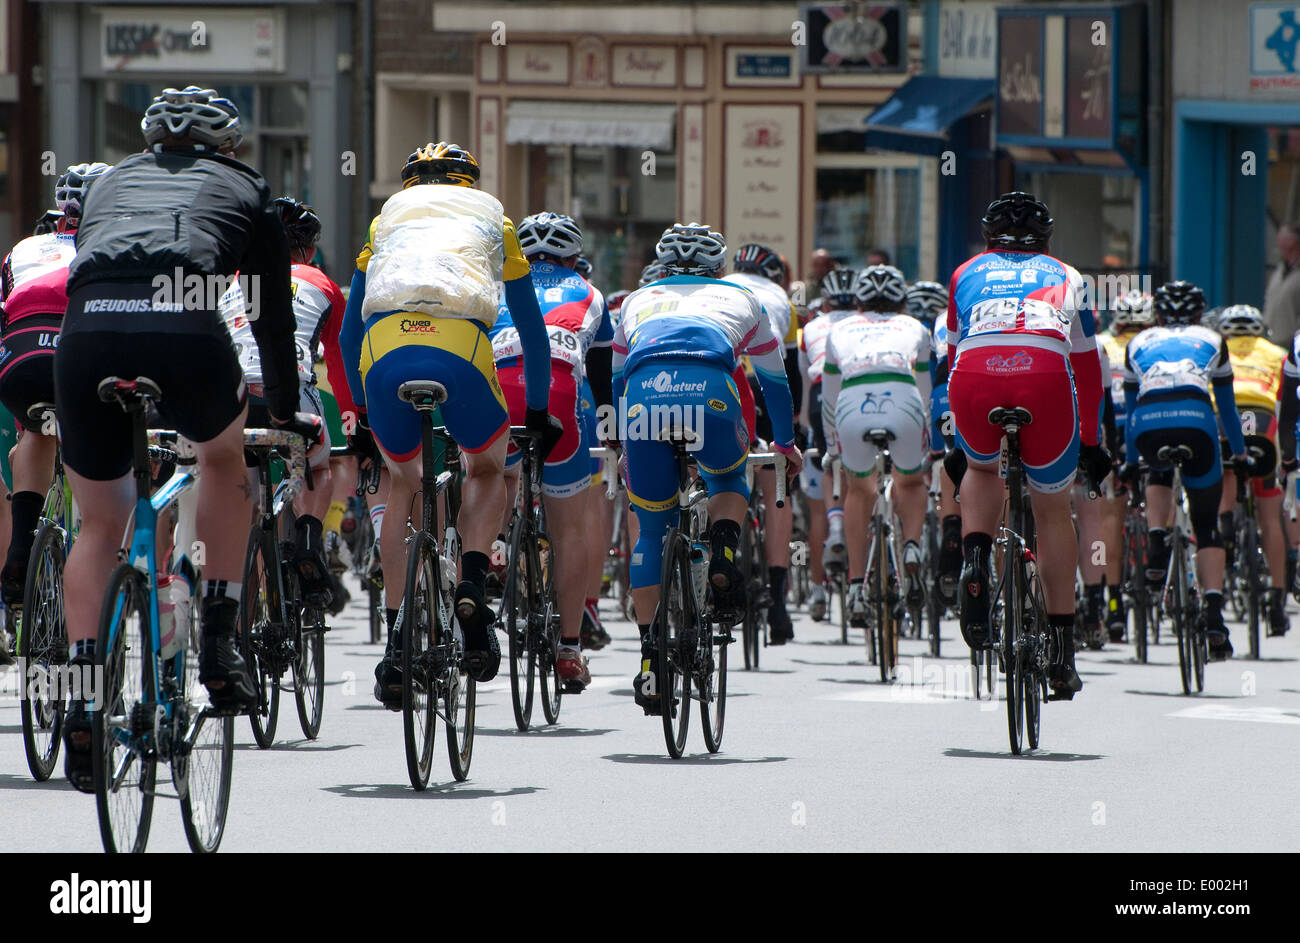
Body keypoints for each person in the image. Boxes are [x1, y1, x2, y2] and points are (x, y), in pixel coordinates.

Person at [55, 86, 318, 790]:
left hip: (86, 333)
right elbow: (268, 315)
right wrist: (285, 410)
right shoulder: (246, 185)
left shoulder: (108, 181)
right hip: (184, 323)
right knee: (223, 458)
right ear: (226, 145)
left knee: (97, 523)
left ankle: (81, 693)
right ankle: (221, 640)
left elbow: (89, 261)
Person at [339, 142, 561, 707]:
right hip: (459, 347)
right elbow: (531, 330)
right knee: (487, 469)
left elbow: (345, 332)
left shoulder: (385, 219)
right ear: (470, 182)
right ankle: (470, 585)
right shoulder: (495, 216)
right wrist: (535, 413)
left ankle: (395, 640)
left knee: (403, 483)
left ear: (410, 183)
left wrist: (359, 416)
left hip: (383, 349)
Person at [613, 223, 801, 713]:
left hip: (643, 399)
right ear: (719, 269)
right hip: (711, 392)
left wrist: (619, 441)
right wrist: (785, 443)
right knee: (728, 478)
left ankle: (651, 662)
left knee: (651, 529)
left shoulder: (635, 301)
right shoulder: (743, 296)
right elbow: (774, 383)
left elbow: (616, 379)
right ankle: (722, 554)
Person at [946, 192, 1109, 701]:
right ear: (1047, 239)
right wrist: (1089, 441)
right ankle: (1062, 651)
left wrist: (955, 434)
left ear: (988, 237)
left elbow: (950, 352)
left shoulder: (964, 272)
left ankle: (974, 556)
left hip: (974, 378)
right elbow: (1088, 368)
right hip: (1043, 379)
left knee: (979, 466)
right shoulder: (1069, 275)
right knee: (1053, 511)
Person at [491, 211, 612, 691]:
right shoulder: (590, 292)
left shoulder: (496, 283)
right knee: (571, 530)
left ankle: (494, 550)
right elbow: (601, 376)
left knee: (487, 481)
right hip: (560, 399)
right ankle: (569, 647)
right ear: (575, 259)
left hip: (498, 390)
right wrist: (611, 427)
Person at [0, 162, 112, 608]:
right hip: (79, 352)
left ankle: (21, 548)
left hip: (21, 357)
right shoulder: (116, 247)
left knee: (36, 433)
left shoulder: (23, 248)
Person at [218, 198, 338, 604]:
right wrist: (358, 415)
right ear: (309, 251)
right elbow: (337, 361)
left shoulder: (232, 281)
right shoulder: (321, 283)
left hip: (232, 401)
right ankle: (306, 537)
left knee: (243, 507)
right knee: (317, 468)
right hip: (290, 397)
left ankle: (240, 618)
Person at [1120, 281, 1248, 661]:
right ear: (1198, 315)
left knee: (1157, 469)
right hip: (1197, 422)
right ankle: (1212, 617)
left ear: (1157, 316)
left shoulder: (1136, 344)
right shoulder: (1213, 338)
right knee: (1206, 525)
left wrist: (1129, 462)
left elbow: (1130, 415)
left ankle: (1157, 548)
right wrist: (1239, 457)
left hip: (1147, 425)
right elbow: (1227, 408)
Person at [822, 265, 932, 621]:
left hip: (854, 402)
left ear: (858, 303)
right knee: (912, 481)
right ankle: (912, 547)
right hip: (903, 397)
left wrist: (832, 448)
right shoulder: (916, 327)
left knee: (859, 490)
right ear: (902, 302)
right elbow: (926, 391)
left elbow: (828, 396)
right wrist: (925, 434)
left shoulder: (839, 330)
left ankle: (855, 584)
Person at [723, 243, 802, 643]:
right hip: (768, 384)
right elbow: (791, 371)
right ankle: (777, 597)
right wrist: (791, 434)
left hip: (727, 379)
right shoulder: (782, 299)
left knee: (722, 471)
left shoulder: (720, 286)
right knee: (776, 484)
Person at [1214, 304, 1289, 637]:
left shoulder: (1215, 347)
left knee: (1227, 482)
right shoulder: (1277, 353)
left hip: (1225, 417)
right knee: (1269, 516)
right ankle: (1276, 602)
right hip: (1263, 419)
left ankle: (1226, 539)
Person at [797, 268, 857, 620]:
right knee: (865, 487)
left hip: (822, 402)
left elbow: (806, 385)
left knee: (817, 507)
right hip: (869, 398)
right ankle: (870, 580)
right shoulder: (869, 325)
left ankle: (818, 592)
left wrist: (805, 426)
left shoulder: (811, 329)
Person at [1097, 290, 1154, 638]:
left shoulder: (1104, 342)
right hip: (1148, 424)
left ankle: (1113, 602)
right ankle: (1162, 551)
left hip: (1111, 427)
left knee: (1108, 519)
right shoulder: (1153, 341)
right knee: (1161, 493)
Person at [1264, 222, 1300, 346]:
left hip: (1292, 347)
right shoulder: (1279, 271)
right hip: (1271, 343)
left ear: (1292, 242)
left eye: (1281, 239)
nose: (1277, 244)